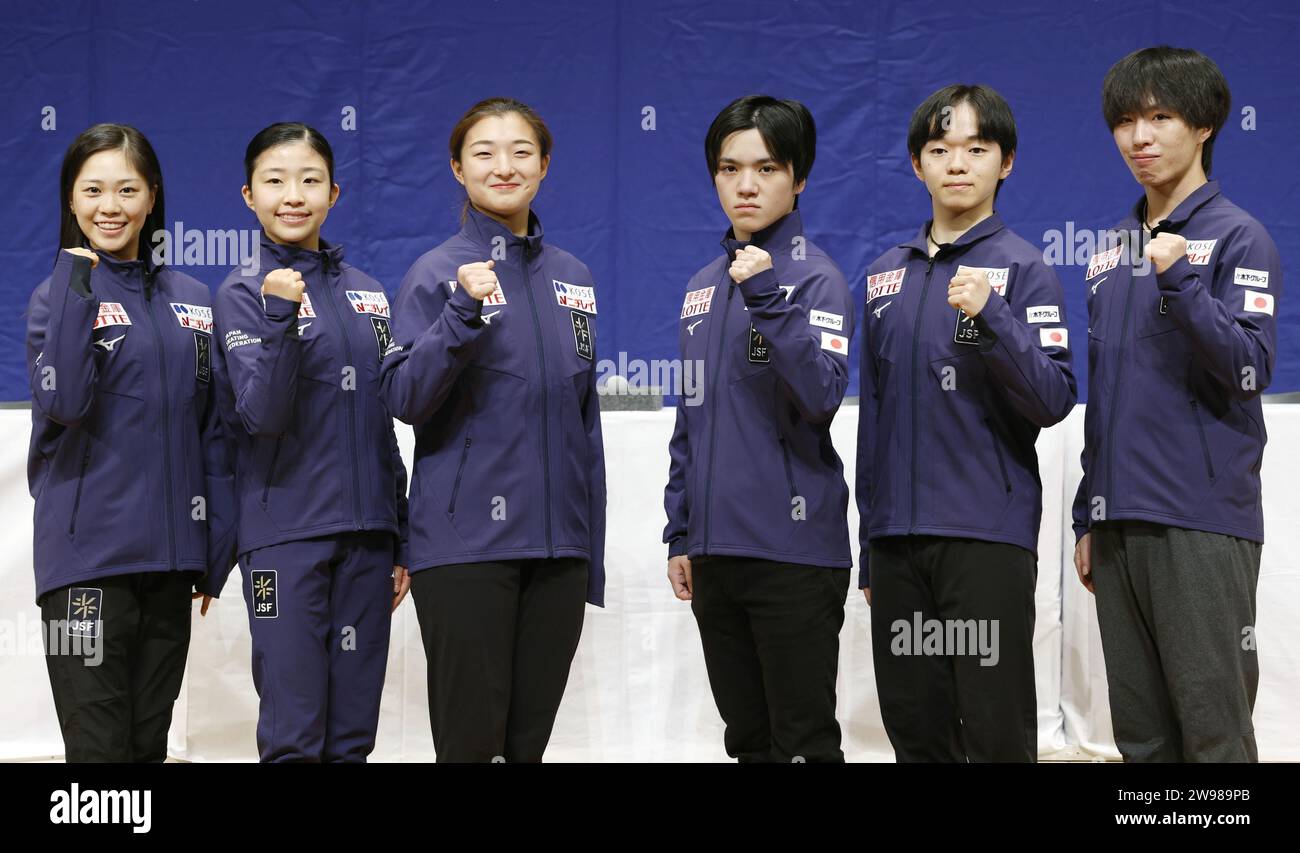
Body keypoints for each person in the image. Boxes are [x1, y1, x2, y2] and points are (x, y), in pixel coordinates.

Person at [1072, 47, 1282, 762]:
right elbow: (1105, 396)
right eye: (1127, 120)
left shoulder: (1238, 235)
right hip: (1118, 523)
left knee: (1213, 731)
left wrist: (1184, 279)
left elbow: (1248, 367)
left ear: (1205, 125)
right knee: (1140, 739)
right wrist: (1086, 513)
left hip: (1199, 518)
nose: (1141, 136)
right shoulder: (1108, 253)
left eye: (1162, 116)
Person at [380, 98, 606, 763]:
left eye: (520, 151)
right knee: (471, 744)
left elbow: (583, 418)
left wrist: (585, 549)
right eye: (483, 152)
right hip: (465, 548)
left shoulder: (575, 277)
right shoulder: (435, 273)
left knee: (527, 746)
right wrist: (460, 313)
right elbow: (405, 397)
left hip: (558, 551)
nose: (503, 165)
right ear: (457, 168)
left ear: (544, 164)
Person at [856, 85, 1076, 762]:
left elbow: (1053, 399)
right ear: (917, 163)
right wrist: (871, 541)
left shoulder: (1024, 269)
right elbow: (875, 417)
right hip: (897, 544)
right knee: (915, 724)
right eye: (940, 148)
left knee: (993, 726)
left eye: (977, 149)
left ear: (1004, 162)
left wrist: (994, 316)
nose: (958, 163)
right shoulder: (884, 275)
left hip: (985, 538)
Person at [26, 123, 236, 762]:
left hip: (171, 566)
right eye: (92, 191)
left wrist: (213, 548)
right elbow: (63, 401)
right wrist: (74, 277)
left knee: (146, 749)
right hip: (83, 568)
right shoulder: (53, 298)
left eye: (126, 189)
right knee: (97, 754)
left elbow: (215, 431)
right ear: (71, 201)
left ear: (151, 198)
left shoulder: (194, 299)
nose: (109, 206)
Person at [208, 122, 410, 762]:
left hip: (369, 539)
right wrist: (278, 319)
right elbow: (261, 415)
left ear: (334, 192)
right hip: (283, 539)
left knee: (352, 737)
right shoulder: (242, 293)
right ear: (247, 196)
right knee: (295, 735)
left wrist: (398, 533)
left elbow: (383, 421)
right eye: (274, 181)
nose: (292, 195)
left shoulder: (369, 292)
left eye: (309, 180)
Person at [663, 95, 855, 762]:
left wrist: (768, 299)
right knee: (746, 740)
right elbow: (691, 419)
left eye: (766, 168)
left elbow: (822, 395)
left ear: (798, 178)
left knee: (802, 740)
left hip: (795, 553)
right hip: (716, 554)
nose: (745, 185)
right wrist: (680, 530)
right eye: (728, 167)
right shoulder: (699, 287)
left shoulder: (818, 278)